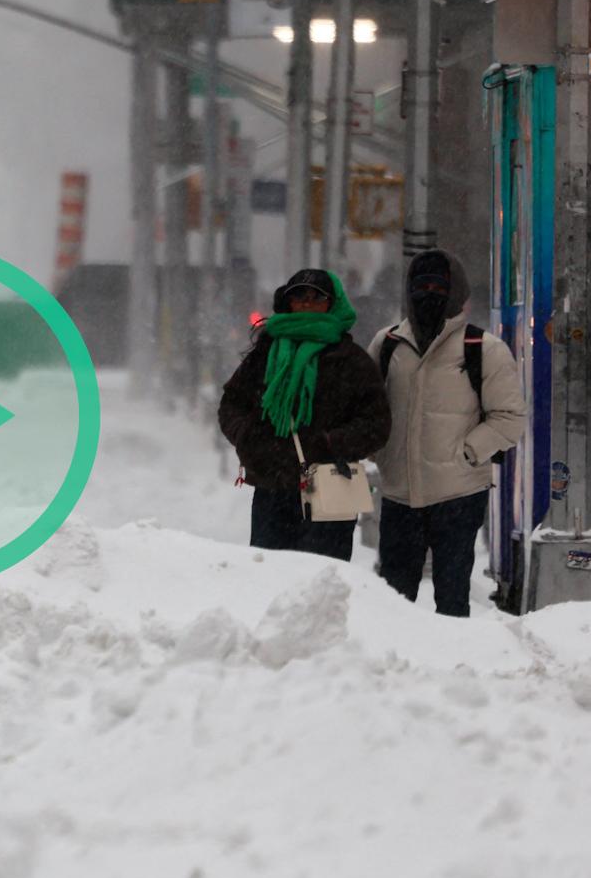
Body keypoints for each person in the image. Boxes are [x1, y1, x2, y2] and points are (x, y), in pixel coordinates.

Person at [367, 249, 525, 617]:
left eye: (439, 286)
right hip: (399, 494)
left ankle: (452, 668)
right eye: (420, 285)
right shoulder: (387, 345)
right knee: (392, 602)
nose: (429, 294)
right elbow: (367, 408)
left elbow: (510, 417)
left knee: (452, 598)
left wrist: (467, 454)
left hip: (459, 495)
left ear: (457, 292)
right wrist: (379, 450)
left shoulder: (483, 349)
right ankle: (392, 668)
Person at [218, 268, 391, 561]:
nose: (307, 303)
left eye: (317, 297)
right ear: (287, 303)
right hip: (272, 488)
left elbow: (377, 424)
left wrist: (329, 443)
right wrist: (250, 438)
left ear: (332, 303)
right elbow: (232, 404)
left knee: (320, 585)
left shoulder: (350, 360)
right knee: (269, 583)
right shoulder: (266, 352)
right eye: (299, 296)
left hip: (329, 487)